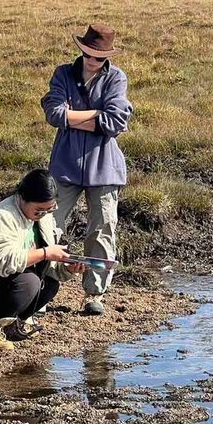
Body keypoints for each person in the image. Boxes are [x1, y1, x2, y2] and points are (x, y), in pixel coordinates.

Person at [40, 24, 133, 316]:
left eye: (100, 58)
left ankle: (95, 293)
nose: (93, 62)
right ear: (81, 51)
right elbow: (54, 114)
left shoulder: (116, 78)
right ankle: (41, 286)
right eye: (89, 56)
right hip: (66, 165)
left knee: (102, 230)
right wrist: (96, 114)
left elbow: (115, 122)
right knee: (48, 225)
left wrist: (73, 116)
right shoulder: (63, 73)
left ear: (107, 58)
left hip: (104, 168)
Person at [0, 169, 87, 351]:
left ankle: (10, 325)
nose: (43, 215)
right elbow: (5, 262)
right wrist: (45, 253)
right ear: (21, 198)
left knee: (50, 284)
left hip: (4, 285)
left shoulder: (44, 218)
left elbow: (48, 266)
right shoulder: (0, 217)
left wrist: (68, 268)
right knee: (29, 282)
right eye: (39, 211)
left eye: (49, 209)